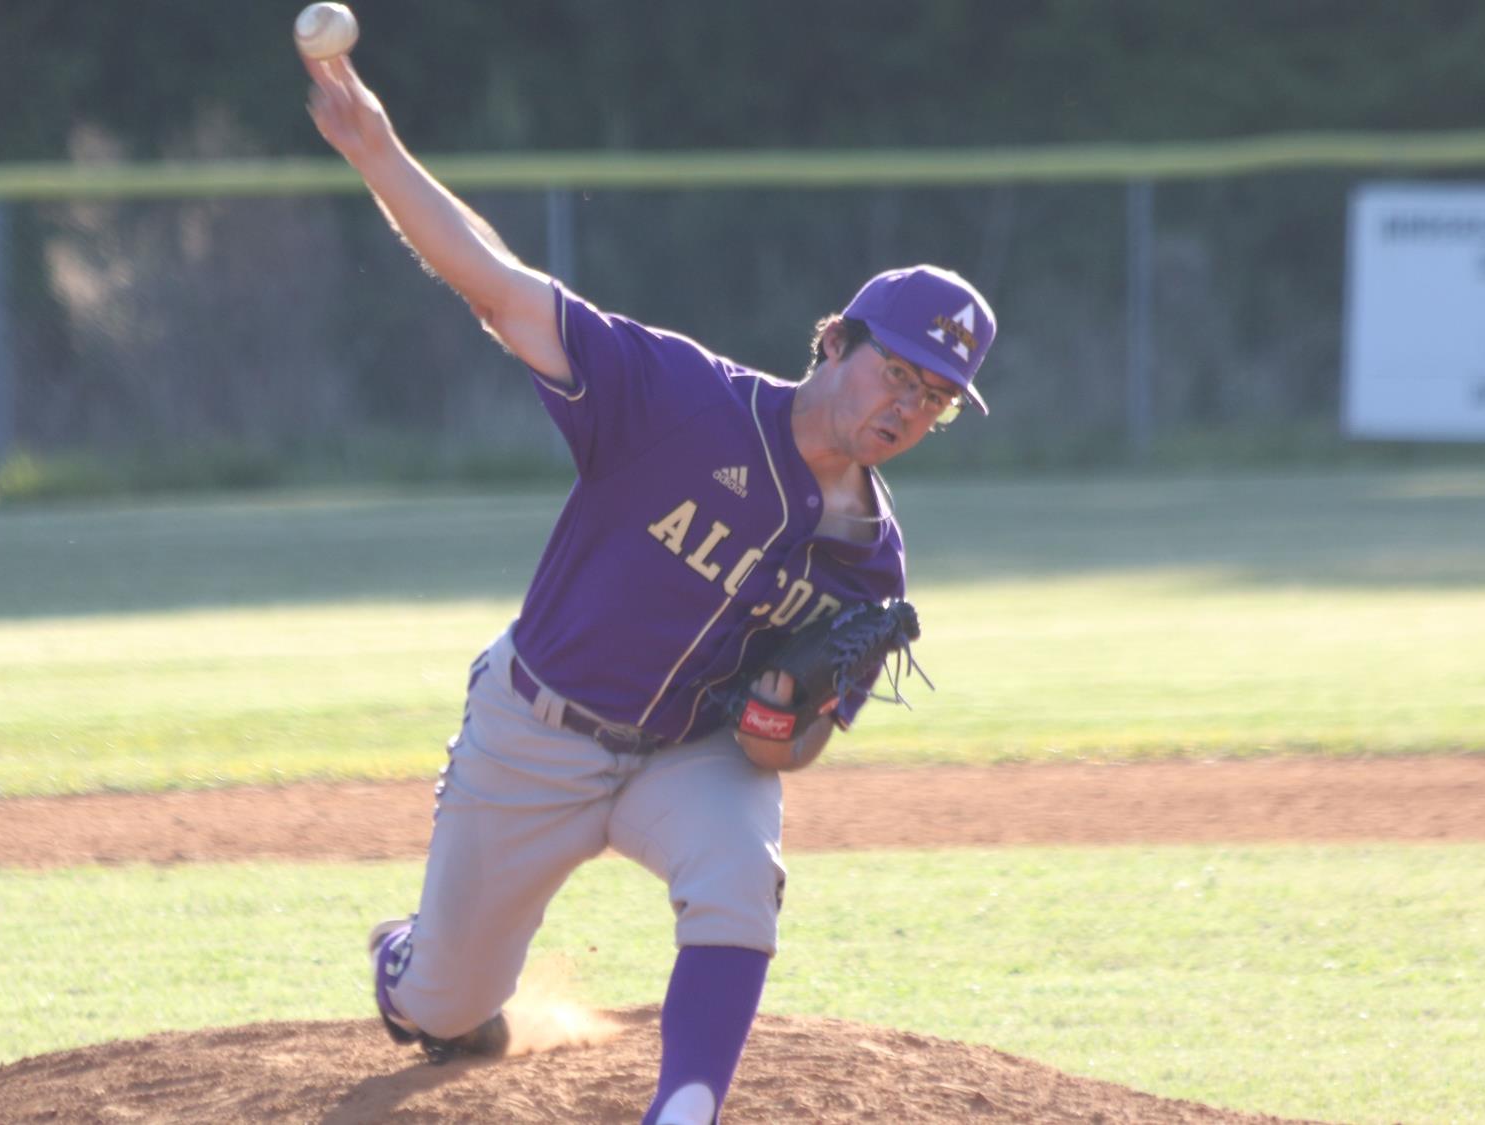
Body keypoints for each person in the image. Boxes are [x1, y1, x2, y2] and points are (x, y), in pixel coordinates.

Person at [303, 50, 995, 1125]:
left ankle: (684, 1110)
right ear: (833, 342)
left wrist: (783, 725)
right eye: (896, 372)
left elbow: (797, 746)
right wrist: (378, 151)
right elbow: (499, 289)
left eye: (936, 397)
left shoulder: (870, 559)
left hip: (687, 754)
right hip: (535, 732)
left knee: (740, 872)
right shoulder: (680, 398)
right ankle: (411, 961)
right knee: (445, 1008)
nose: (907, 407)